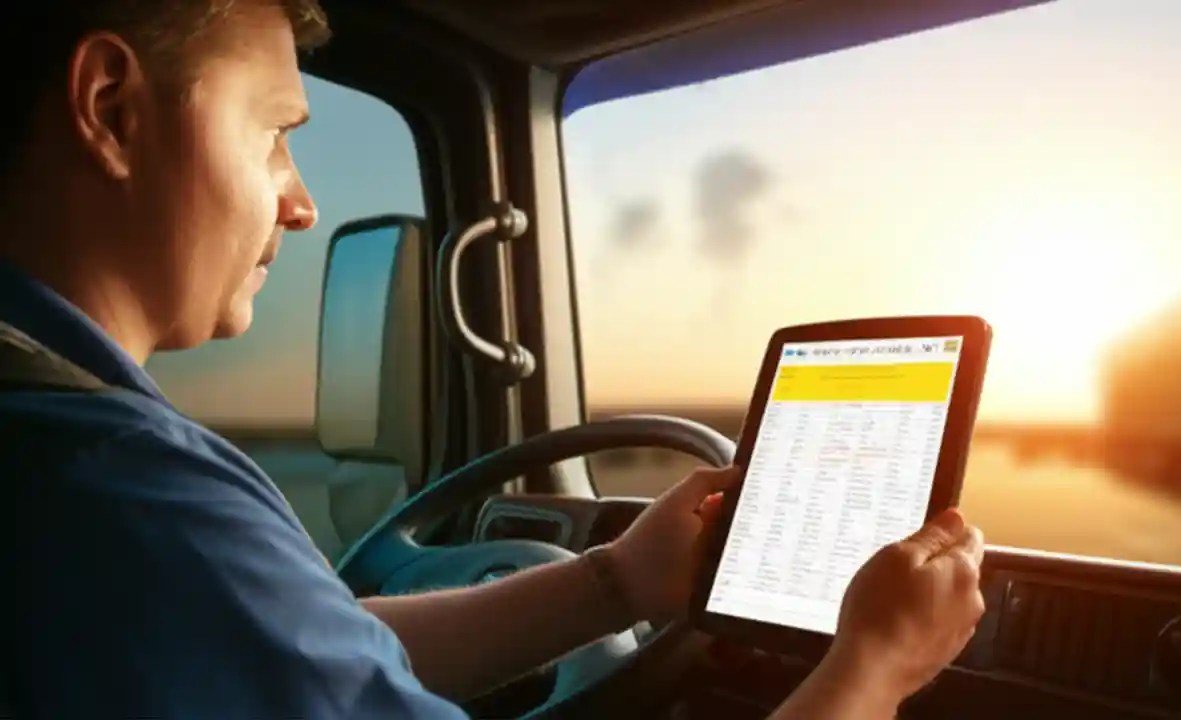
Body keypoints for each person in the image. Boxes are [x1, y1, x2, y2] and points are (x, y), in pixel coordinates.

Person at [0, 1, 987, 717]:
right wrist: (871, 669)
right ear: (113, 107)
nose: (299, 202)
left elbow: (315, 661)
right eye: (274, 135)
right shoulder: (123, 493)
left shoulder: (70, 459)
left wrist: (613, 581)